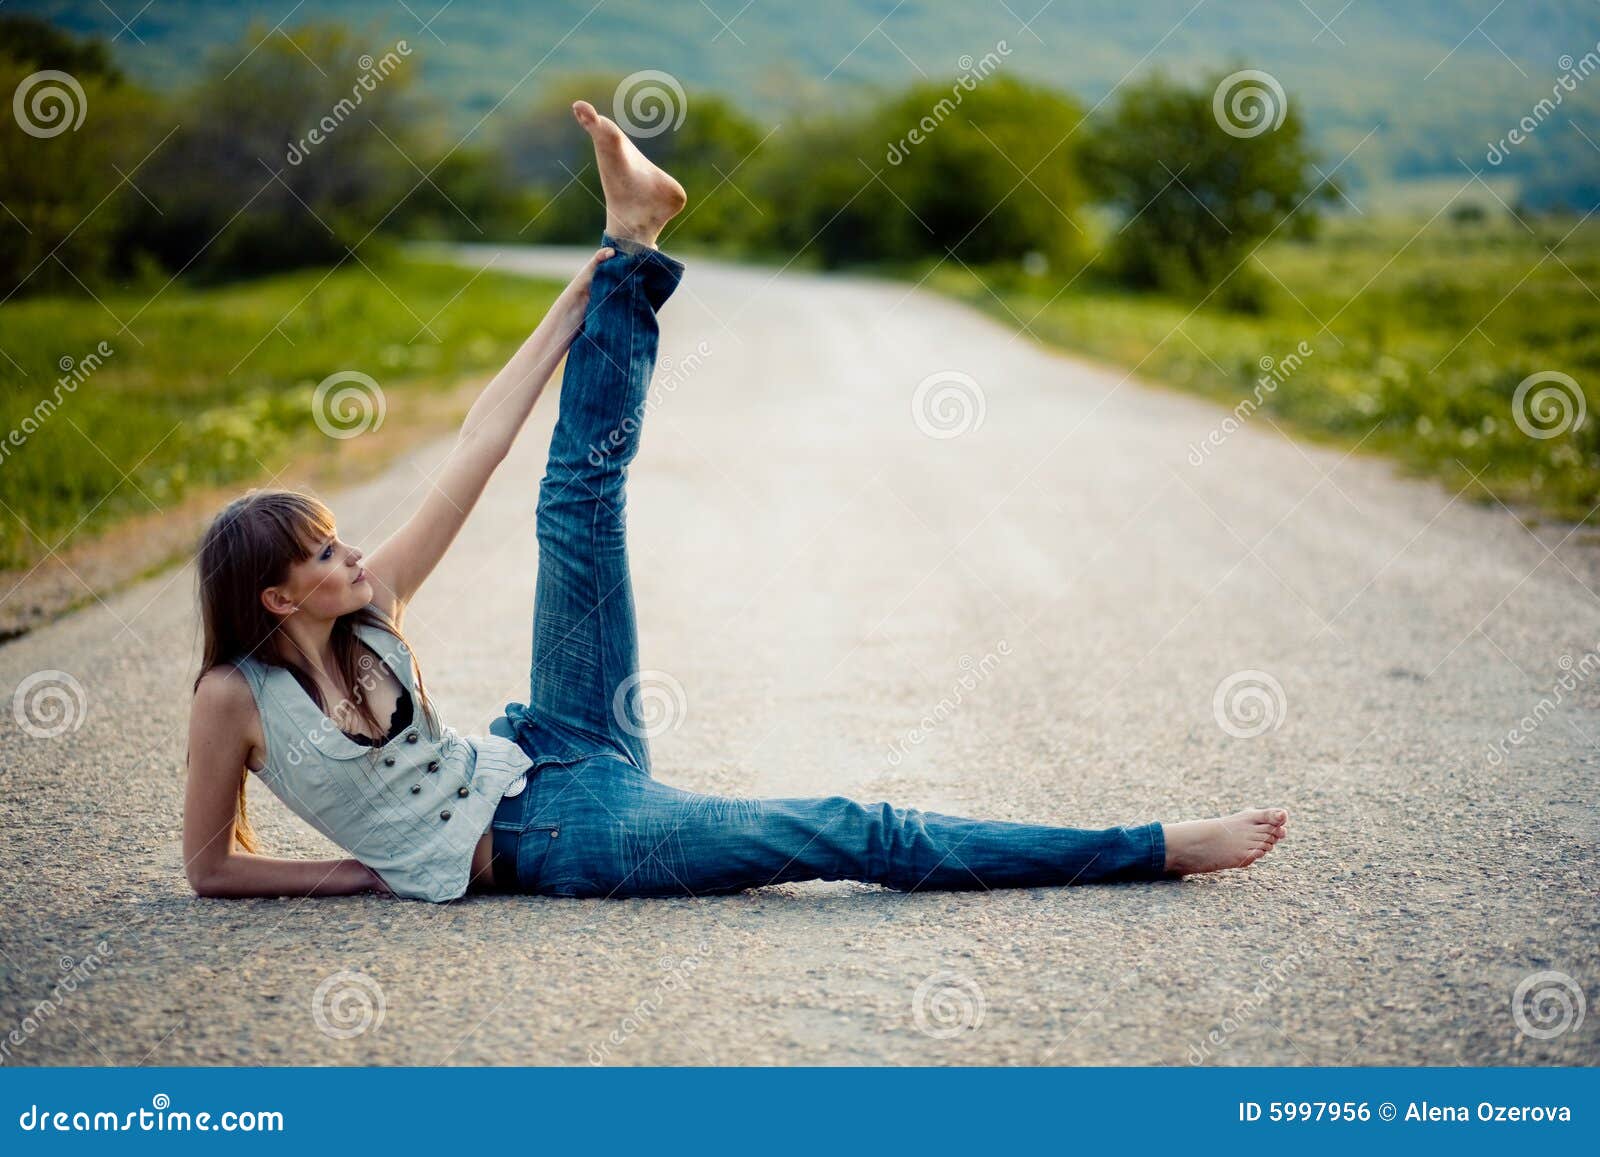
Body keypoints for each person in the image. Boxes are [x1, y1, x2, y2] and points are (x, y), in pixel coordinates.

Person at [182, 100, 1288, 902]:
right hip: (566, 834)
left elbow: (482, 439)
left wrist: (598, 272)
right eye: (324, 553)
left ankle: (637, 232)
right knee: (851, 829)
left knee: (574, 501)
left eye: (340, 539)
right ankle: (1150, 845)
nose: (352, 554)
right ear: (277, 597)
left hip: (549, 744)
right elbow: (210, 866)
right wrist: (366, 873)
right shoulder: (233, 700)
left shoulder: (371, 609)